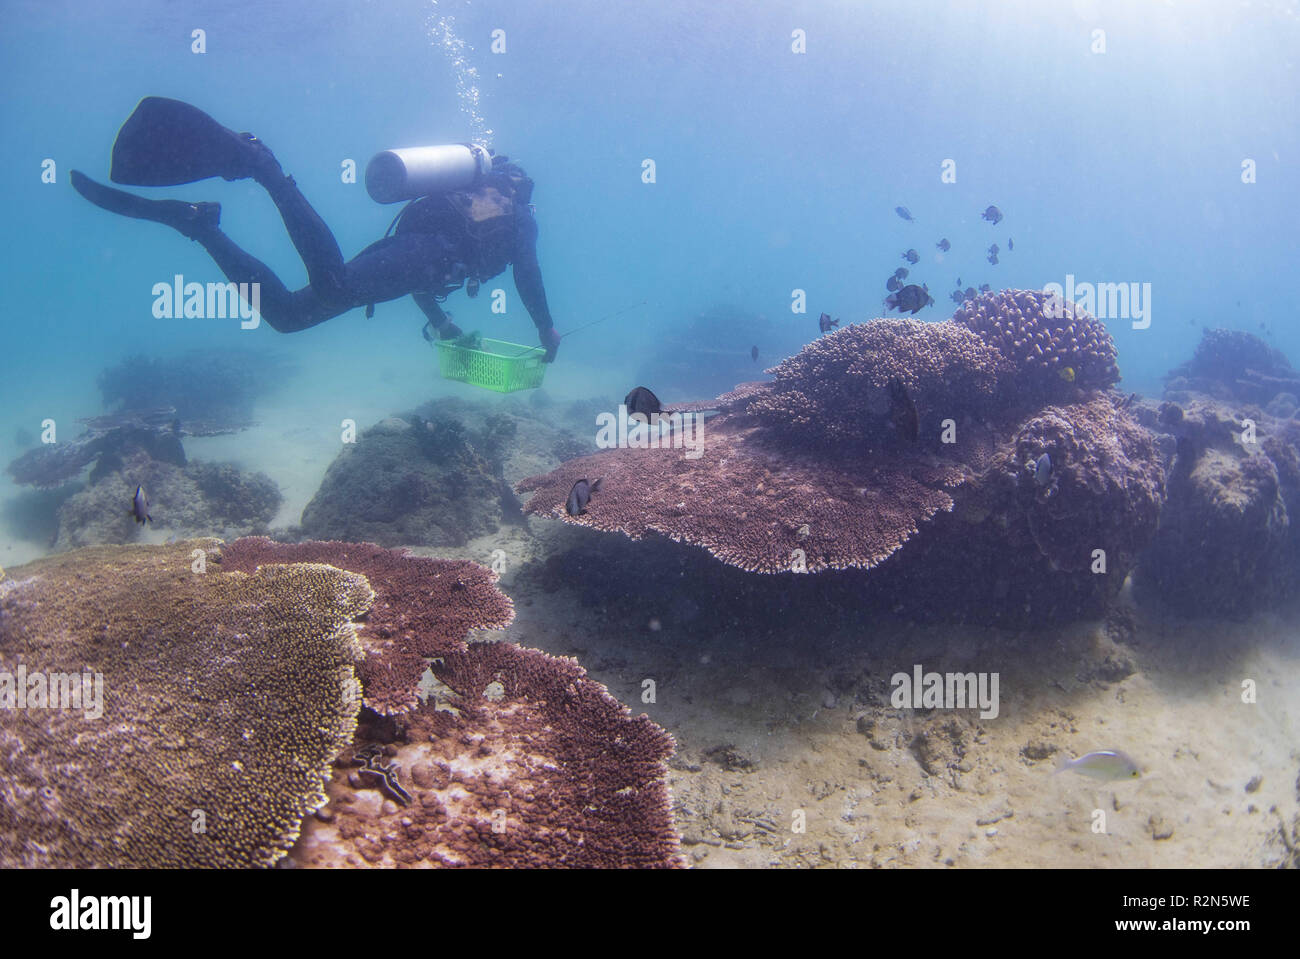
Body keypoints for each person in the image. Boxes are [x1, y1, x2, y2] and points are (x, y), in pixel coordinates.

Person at [70, 97, 563, 361]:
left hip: (415, 253)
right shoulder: (520, 220)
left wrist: (439, 321)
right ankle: (263, 166)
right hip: (421, 252)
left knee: (287, 317)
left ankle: (200, 226)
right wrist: (545, 326)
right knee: (335, 287)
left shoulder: (486, 213)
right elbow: (527, 275)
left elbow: (424, 268)